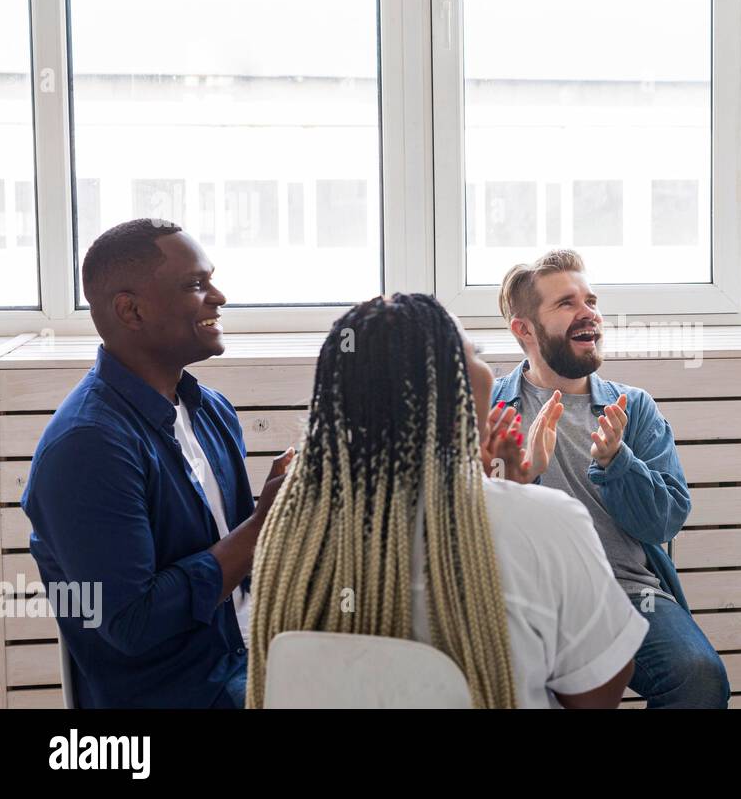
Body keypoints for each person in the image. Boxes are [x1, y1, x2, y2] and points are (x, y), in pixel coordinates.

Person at [246, 292, 648, 709]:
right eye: (474, 353)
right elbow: (597, 693)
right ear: (452, 391)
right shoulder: (541, 521)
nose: (487, 365)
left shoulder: (289, 530)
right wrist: (512, 495)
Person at [21, 218, 292, 708]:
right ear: (131, 311)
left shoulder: (210, 409)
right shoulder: (88, 448)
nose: (219, 296)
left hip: (246, 662)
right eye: (195, 284)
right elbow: (133, 622)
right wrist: (259, 527)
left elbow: (233, 570)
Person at [492, 249, 730, 709]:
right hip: (521, 597)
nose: (589, 314)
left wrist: (618, 461)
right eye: (566, 304)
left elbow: (663, 524)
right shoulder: (493, 409)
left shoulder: (632, 407)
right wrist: (526, 474)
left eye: (591, 300)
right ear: (524, 329)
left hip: (624, 594)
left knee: (698, 677)